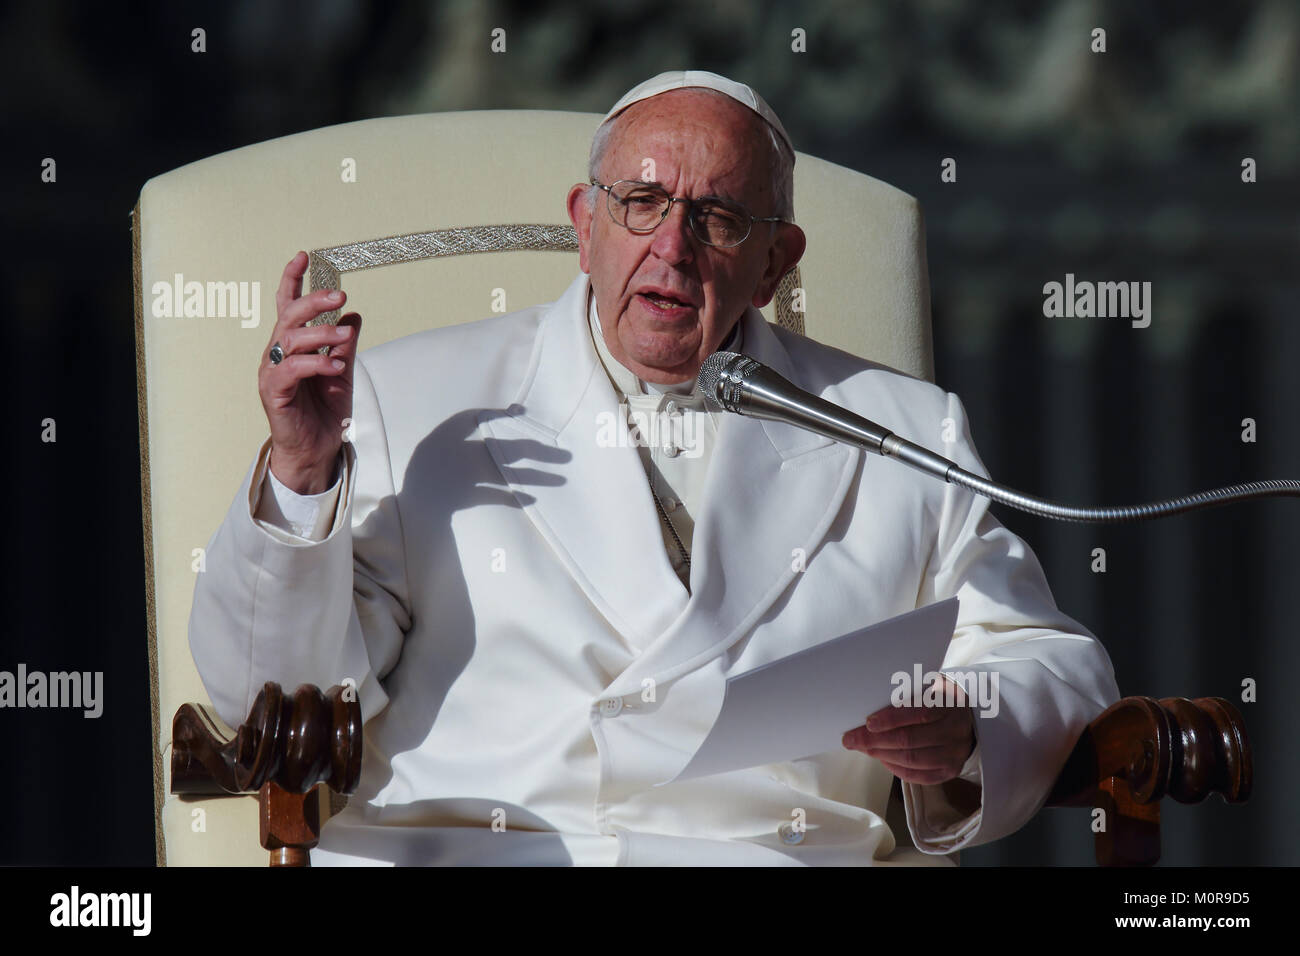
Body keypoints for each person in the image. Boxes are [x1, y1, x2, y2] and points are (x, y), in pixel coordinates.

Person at [189, 71, 1120, 866]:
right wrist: (300, 473)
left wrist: (967, 725)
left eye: (718, 218)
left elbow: (1053, 662)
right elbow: (272, 694)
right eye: (640, 203)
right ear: (584, 224)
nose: (671, 248)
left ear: (775, 262)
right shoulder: (417, 399)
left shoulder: (900, 431)